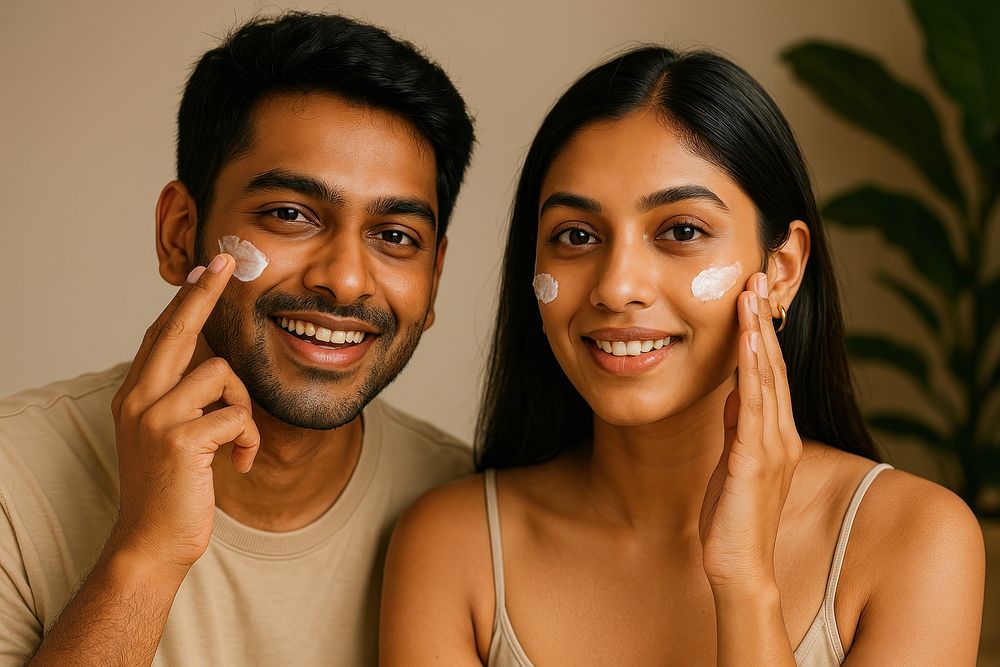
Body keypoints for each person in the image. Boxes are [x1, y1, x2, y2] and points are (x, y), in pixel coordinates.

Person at [380, 46, 985, 665]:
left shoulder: (912, 539)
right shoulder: (453, 546)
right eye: (576, 236)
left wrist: (745, 579)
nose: (616, 287)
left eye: (682, 232)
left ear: (781, 270)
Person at [0, 11, 475, 665]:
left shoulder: (473, 509)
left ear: (434, 280)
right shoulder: (12, 484)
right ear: (179, 234)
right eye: (290, 214)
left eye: (396, 236)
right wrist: (145, 553)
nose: (344, 280)